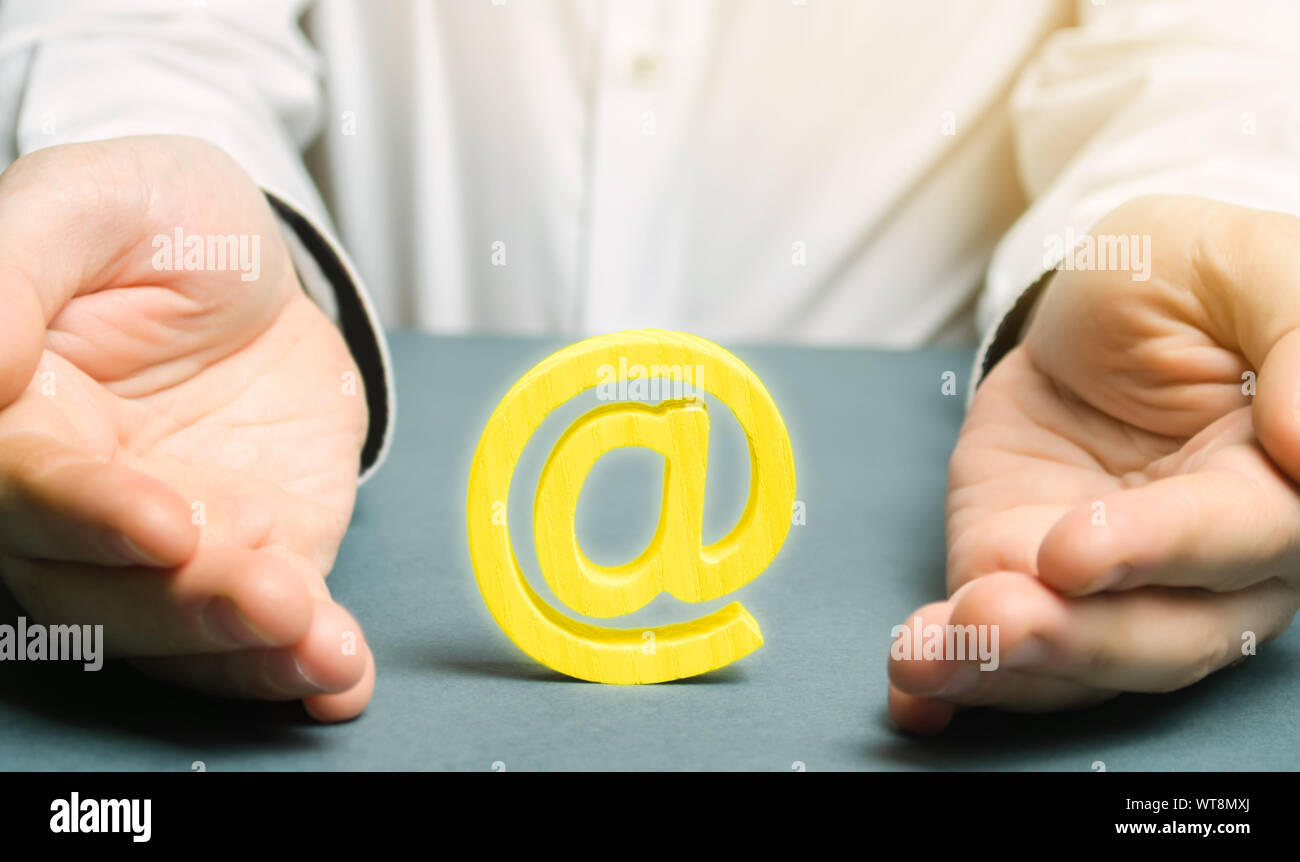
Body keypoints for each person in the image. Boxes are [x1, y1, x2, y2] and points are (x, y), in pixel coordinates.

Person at [0, 0, 1297, 729]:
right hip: (294, 429)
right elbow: (147, 25)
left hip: (953, 461)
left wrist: (1190, 222)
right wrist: (153, 184)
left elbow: (1205, 45)